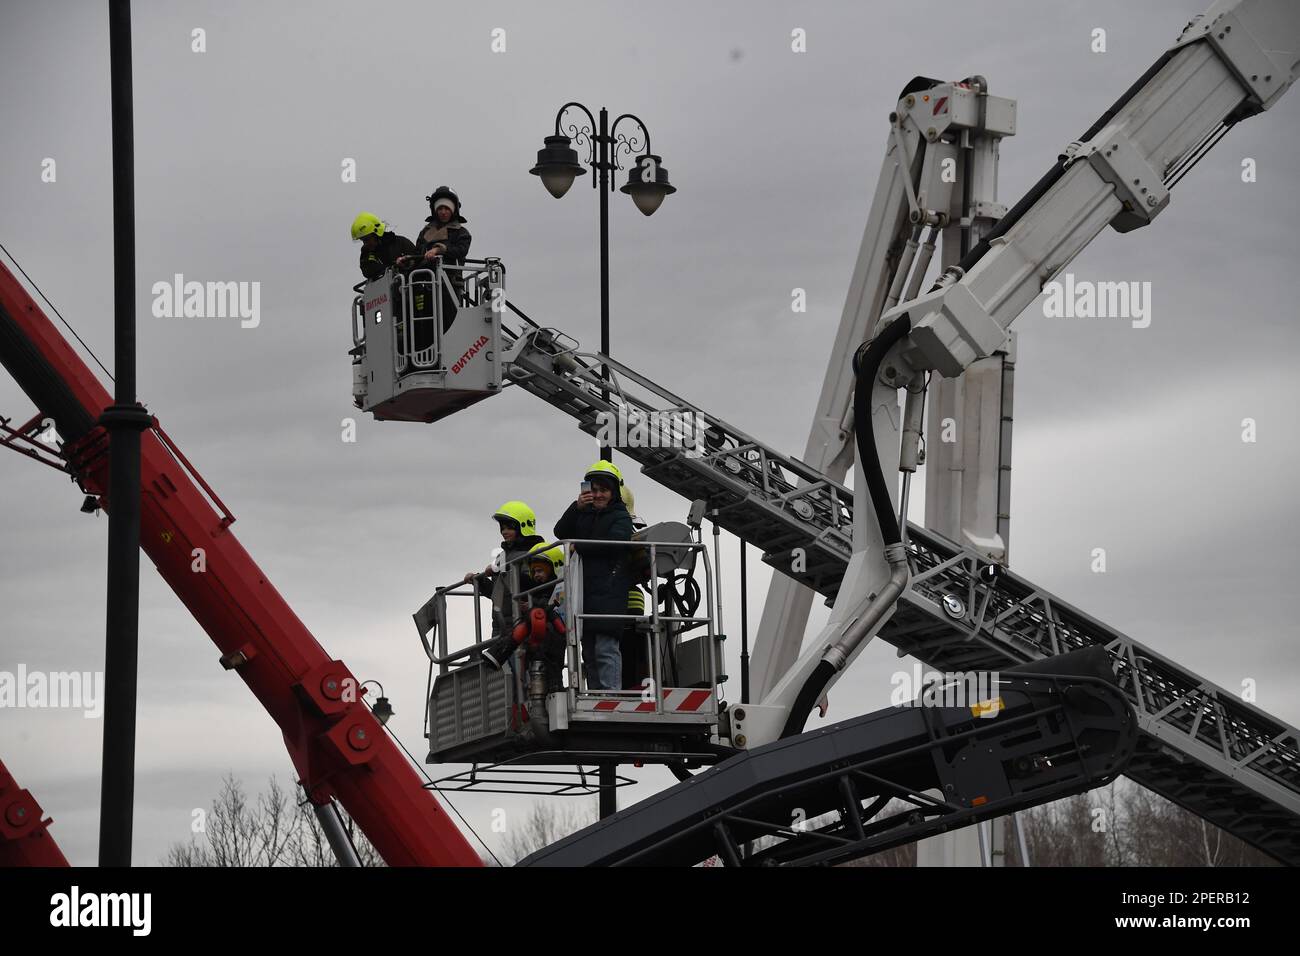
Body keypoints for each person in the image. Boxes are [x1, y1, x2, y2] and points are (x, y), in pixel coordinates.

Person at [553, 461, 634, 690]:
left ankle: (611, 698)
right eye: (594, 489)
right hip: (585, 595)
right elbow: (560, 531)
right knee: (589, 652)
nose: (598, 495)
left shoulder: (621, 517)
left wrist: (579, 546)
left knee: (605, 650)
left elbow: (615, 543)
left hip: (609, 594)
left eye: (604, 490)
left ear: (614, 493)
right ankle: (599, 699)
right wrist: (575, 507)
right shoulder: (583, 515)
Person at [482, 544, 567, 684]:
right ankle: (497, 654)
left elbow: (553, 604)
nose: (536, 575)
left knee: (552, 671)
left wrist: (533, 605)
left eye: (540, 570)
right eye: (534, 571)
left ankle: (499, 653)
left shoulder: (559, 586)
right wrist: (497, 570)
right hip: (538, 636)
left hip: (553, 636)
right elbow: (517, 579)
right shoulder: (536, 585)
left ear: (553, 568)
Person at [464, 501, 545, 647]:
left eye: (509, 527)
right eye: (502, 528)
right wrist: (478, 580)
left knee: (520, 666)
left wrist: (503, 571)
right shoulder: (502, 556)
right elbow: (498, 592)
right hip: (500, 626)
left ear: (523, 527)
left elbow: (533, 585)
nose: (504, 532)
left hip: (523, 623)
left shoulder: (534, 553)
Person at [400, 186, 472, 334]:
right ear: (435, 210)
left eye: (446, 208)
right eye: (440, 208)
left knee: (448, 325)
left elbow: (461, 251)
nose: (443, 212)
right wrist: (406, 261)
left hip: (449, 283)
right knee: (423, 326)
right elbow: (417, 254)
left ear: (453, 210)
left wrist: (440, 250)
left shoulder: (461, 232)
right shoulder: (425, 232)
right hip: (423, 284)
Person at [351, 212, 415, 281]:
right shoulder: (366, 252)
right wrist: (393, 266)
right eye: (363, 240)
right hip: (386, 289)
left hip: (411, 285)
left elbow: (417, 259)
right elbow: (368, 270)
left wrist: (405, 262)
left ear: (376, 233)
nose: (365, 243)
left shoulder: (400, 242)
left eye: (367, 239)